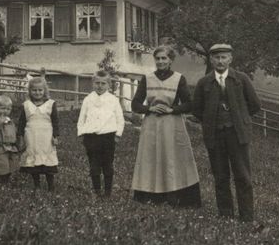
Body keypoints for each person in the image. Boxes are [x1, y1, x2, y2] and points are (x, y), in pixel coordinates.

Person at [190, 43, 262, 222]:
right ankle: (225, 216)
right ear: (211, 60)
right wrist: (211, 122)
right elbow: (197, 109)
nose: (220, 61)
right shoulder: (204, 82)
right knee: (220, 176)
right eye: (216, 57)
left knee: (243, 176)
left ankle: (246, 217)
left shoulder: (241, 79)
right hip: (215, 136)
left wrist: (240, 118)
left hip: (238, 135)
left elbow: (254, 105)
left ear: (230, 59)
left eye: (224, 57)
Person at [130, 45, 202, 208]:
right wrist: (149, 108)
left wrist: (172, 109)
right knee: (150, 158)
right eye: (158, 58)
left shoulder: (179, 78)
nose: (161, 61)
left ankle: (175, 197)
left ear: (170, 60)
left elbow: (189, 104)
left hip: (172, 125)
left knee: (172, 158)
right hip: (152, 125)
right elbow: (135, 104)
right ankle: (150, 196)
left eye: (164, 58)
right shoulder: (147, 78)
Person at [76, 70, 125, 198]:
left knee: (108, 164)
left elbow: (120, 119)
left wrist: (118, 134)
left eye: (103, 83)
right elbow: (82, 117)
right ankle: (97, 191)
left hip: (108, 137)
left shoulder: (113, 100)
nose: (100, 86)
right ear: (93, 83)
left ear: (109, 85)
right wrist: (81, 132)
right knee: (94, 165)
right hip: (91, 137)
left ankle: (107, 192)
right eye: (97, 83)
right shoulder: (88, 99)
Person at [17, 75, 59, 191]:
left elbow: (55, 121)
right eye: (34, 90)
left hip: (46, 137)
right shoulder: (26, 105)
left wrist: (55, 136)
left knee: (48, 161)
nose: (37, 93)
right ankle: (37, 185)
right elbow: (22, 121)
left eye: (40, 90)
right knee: (33, 161)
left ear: (44, 90)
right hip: (31, 136)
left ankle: (51, 185)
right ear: (30, 91)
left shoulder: (51, 104)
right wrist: (20, 135)